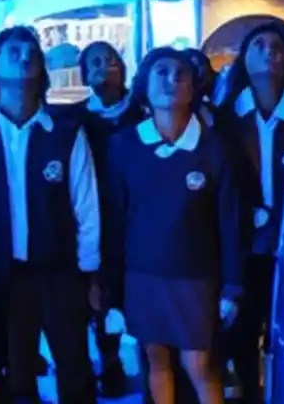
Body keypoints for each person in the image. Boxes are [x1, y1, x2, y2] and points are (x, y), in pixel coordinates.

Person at [0, 26, 101, 404]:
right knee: (14, 373)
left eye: (30, 51)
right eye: (13, 52)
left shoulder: (64, 131)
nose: (24, 57)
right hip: (0, 275)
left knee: (74, 367)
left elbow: (85, 205)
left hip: (60, 272)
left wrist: (91, 272)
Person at [102, 48, 244, 404]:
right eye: (161, 72)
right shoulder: (123, 146)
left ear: (194, 87)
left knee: (199, 364)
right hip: (142, 274)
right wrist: (109, 286)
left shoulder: (215, 149)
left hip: (196, 277)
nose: (171, 80)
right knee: (156, 361)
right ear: (144, 86)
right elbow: (115, 219)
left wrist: (232, 287)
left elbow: (230, 221)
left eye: (180, 74)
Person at [216, 24, 284, 404]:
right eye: (259, 45)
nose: (269, 52)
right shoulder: (225, 118)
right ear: (244, 57)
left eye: (276, 47)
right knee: (243, 329)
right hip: (245, 245)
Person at [58, 40, 139, 396]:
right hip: (96, 218)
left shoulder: (142, 110)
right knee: (99, 296)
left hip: (138, 217)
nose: (103, 67)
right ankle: (109, 362)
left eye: (110, 60)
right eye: (94, 62)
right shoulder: (75, 118)